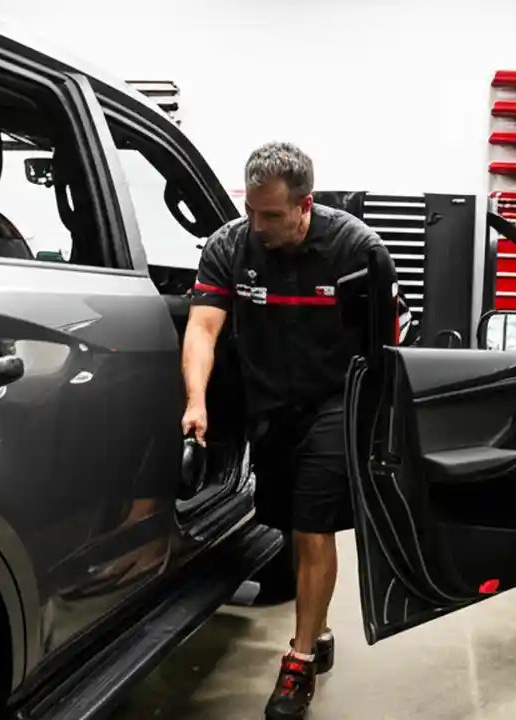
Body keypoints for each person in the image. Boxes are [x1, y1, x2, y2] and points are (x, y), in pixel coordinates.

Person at [180, 141, 397, 719]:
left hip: (333, 401)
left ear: (305, 206)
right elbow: (202, 328)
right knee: (282, 521)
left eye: (272, 215)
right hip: (270, 406)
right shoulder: (230, 245)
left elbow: (385, 350)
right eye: (252, 210)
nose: (259, 224)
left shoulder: (357, 250)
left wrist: (376, 426)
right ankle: (318, 628)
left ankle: (298, 664)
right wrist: (197, 400)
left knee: (311, 522)